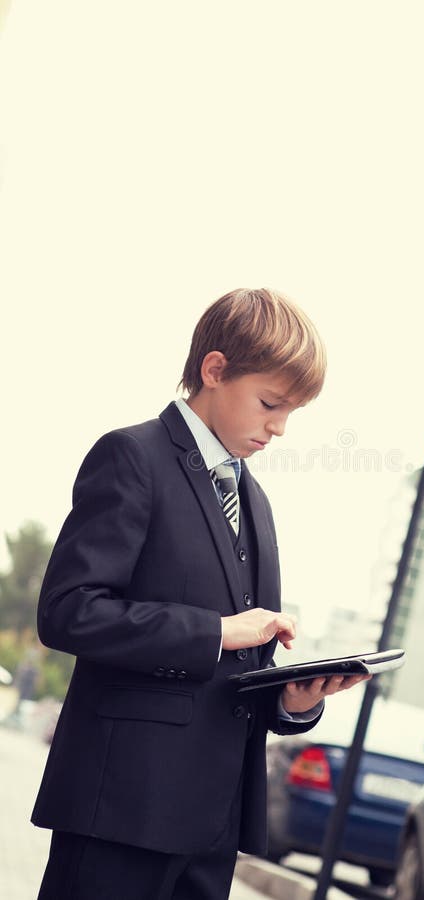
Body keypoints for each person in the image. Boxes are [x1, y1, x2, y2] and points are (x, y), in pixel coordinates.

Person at [32, 287, 369, 900]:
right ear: (215, 370)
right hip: (120, 811)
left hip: (213, 830)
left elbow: (239, 677)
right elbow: (68, 612)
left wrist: (293, 700)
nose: (280, 428)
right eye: (271, 403)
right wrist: (217, 630)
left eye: (292, 412)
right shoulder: (132, 456)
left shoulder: (256, 501)